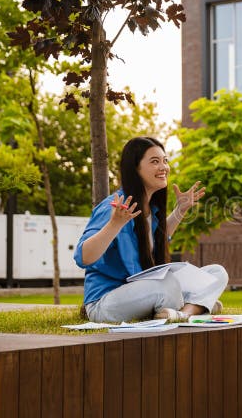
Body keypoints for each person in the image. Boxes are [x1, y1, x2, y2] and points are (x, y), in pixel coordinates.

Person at [74, 136, 228, 323]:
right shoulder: (114, 208)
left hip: (145, 291)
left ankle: (184, 313)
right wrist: (114, 224)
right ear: (135, 169)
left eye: (165, 160)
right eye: (155, 162)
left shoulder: (151, 209)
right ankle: (198, 305)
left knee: (216, 273)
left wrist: (180, 210)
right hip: (105, 302)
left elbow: (158, 239)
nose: (164, 167)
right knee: (166, 284)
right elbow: (83, 257)